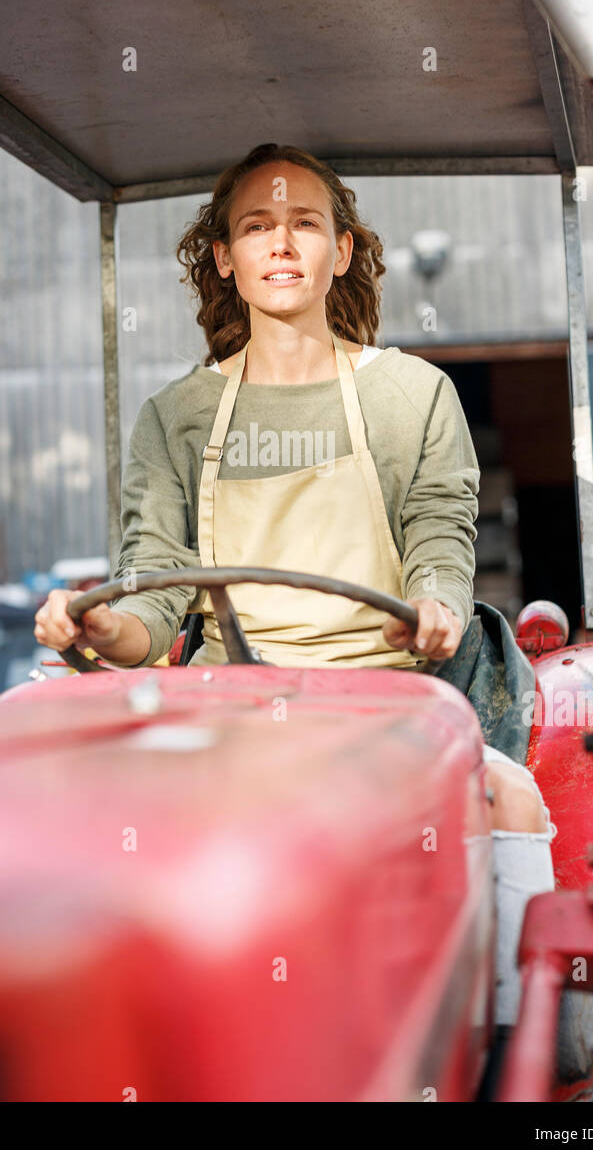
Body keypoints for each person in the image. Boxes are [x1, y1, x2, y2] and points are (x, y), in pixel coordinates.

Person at [35, 141, 555, 1030]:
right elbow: (154, 606)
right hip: (225, 707)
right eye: (257, 227)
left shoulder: (412, 397)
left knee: (511, 793)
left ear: (340, 251)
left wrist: (434, 605)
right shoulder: (176, 417)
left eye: (305, 224)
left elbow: (439, 536)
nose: (282, 243)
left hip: (384, 703)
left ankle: (527, 1041)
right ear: (226, 258)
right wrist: (92, 631)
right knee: (63, 788)